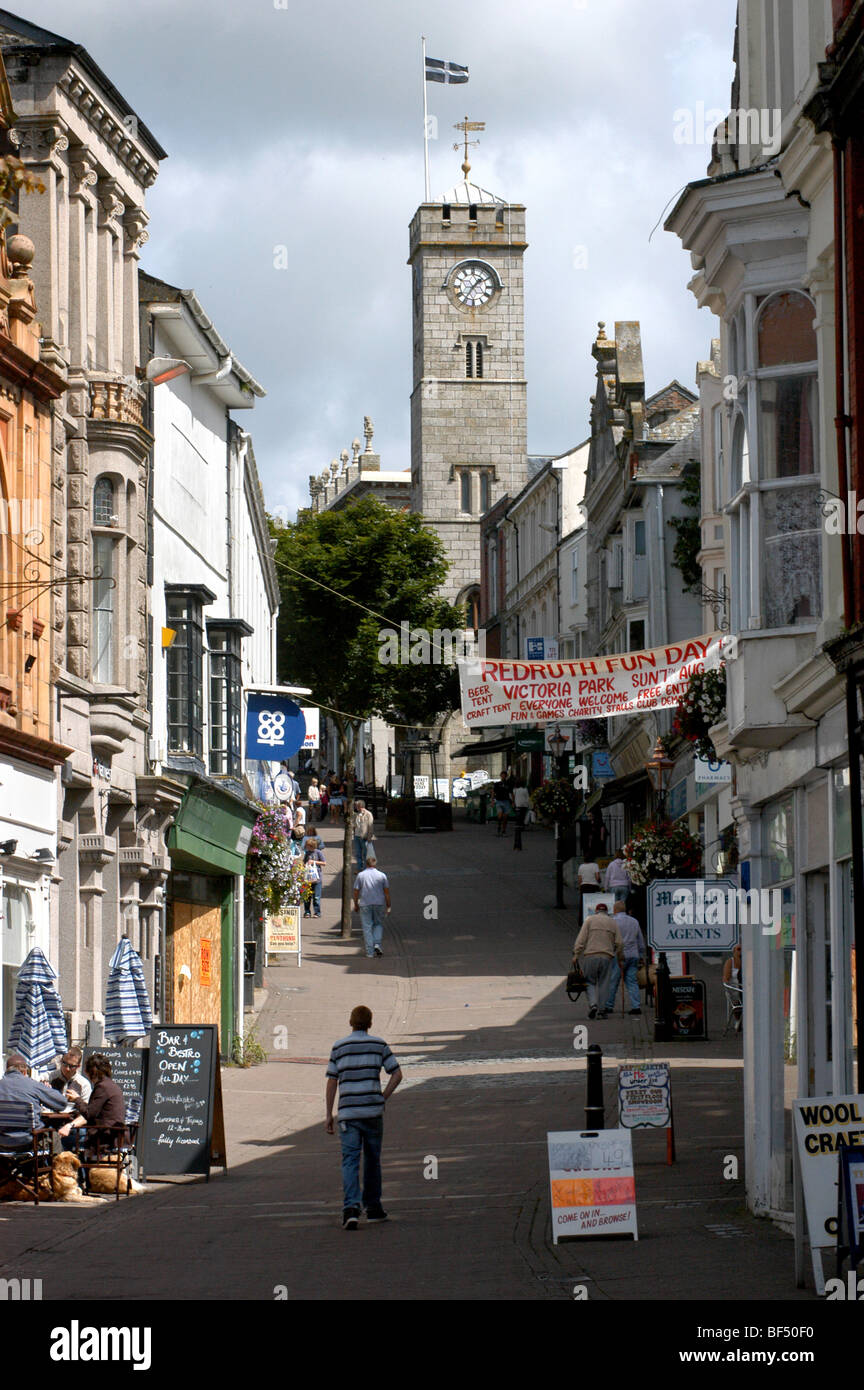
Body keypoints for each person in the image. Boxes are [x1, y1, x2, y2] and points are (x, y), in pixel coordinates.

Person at [325, 1004, 402, 1229]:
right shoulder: (379, 1045)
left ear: (350, 1022)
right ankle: (374, 1208)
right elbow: (397, 1074)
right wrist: (383, 1097)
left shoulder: (339, 1047)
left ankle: (350, 1208)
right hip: (372, 1112)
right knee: (372, 1159)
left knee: (350, 1160)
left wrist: (329, 1114)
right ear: (370, 1023)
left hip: (348, 1113)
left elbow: (331, 1081)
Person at [0, 1053, 70, 1151]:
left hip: (2, 1142)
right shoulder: (32, 1085)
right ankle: (57, 1166)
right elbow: (62, 1103)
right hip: (29, 1141)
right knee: (54, 1135)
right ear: (24, 1072)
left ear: (6, 1071)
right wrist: (45, 1092)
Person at [63, 1053, 126, 1153]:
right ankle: (82, 1168)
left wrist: (76, 1099)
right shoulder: (111, 1085)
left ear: (92, 1071)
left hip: (103, 1139)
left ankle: (76, 1168)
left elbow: (89, 1114)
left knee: (63, 1141)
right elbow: (94, 1110)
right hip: (113, 1136)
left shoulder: (102, 1087)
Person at [572, 903, 625, 1019]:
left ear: (596, 911)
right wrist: (620, 957)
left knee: (589, 982)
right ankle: (601, 1010)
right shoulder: (612, 922)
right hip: (607, 957)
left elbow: (581, 939)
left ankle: (593, 1005)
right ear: (607, 912)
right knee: (604, 984)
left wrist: (576, 954)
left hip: (591, 955)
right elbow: (620, 943)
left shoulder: (589, 920)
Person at [602, 900, 647, 1016]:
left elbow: (609, 940)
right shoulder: (634, 921)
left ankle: (609, 1006)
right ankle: (636, 1006)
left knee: (613, 981)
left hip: (619, 955)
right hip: (633, 955)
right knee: (632, 981)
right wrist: (641, 955)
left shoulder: (612, 922)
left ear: (615, 910)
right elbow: (640, 940)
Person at [352, 851, 391, 958]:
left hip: (365, 903)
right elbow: (386, 892)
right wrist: (388, 905)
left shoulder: (361, 875)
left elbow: (356, 891)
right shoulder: (382, 875)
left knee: (367, 927)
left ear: (366, 864)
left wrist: (355, 903)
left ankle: (369, 952)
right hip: (379, 903)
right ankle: (377, 944)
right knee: (378, 924)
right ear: (375, 864)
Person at [303, 835, 326, 918]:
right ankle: (307, 912)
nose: (306, 847)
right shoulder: (307, 853)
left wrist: (314, 862)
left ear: (312, 846)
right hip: (308, 878)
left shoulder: (318, 852)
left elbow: (324, 863)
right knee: (307, 897)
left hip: (317, 878)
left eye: (307, 846)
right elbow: (304, 862)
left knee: (316, 897)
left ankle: (317, 912)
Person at [353, 799, 374, 873]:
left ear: (360, 806)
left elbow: (370, 827)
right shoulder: (356, 814)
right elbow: (355, 825)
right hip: (356, 836)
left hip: (364, 837)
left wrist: (369, 837)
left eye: (356, 806)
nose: (355, 807)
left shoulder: (368, 814)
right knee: (358, 854)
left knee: (365, 854)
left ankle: (365, 869)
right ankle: (359, 868)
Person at [511, 780, 530, 849]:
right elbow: (527, 798)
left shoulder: (514, 790)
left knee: (518, 818)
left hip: (517, 805)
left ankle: (519, 826)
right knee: (522, 816)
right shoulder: (525, 790)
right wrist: (528, 804)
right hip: (524, 805)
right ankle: (522, 825)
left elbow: (511, 797)